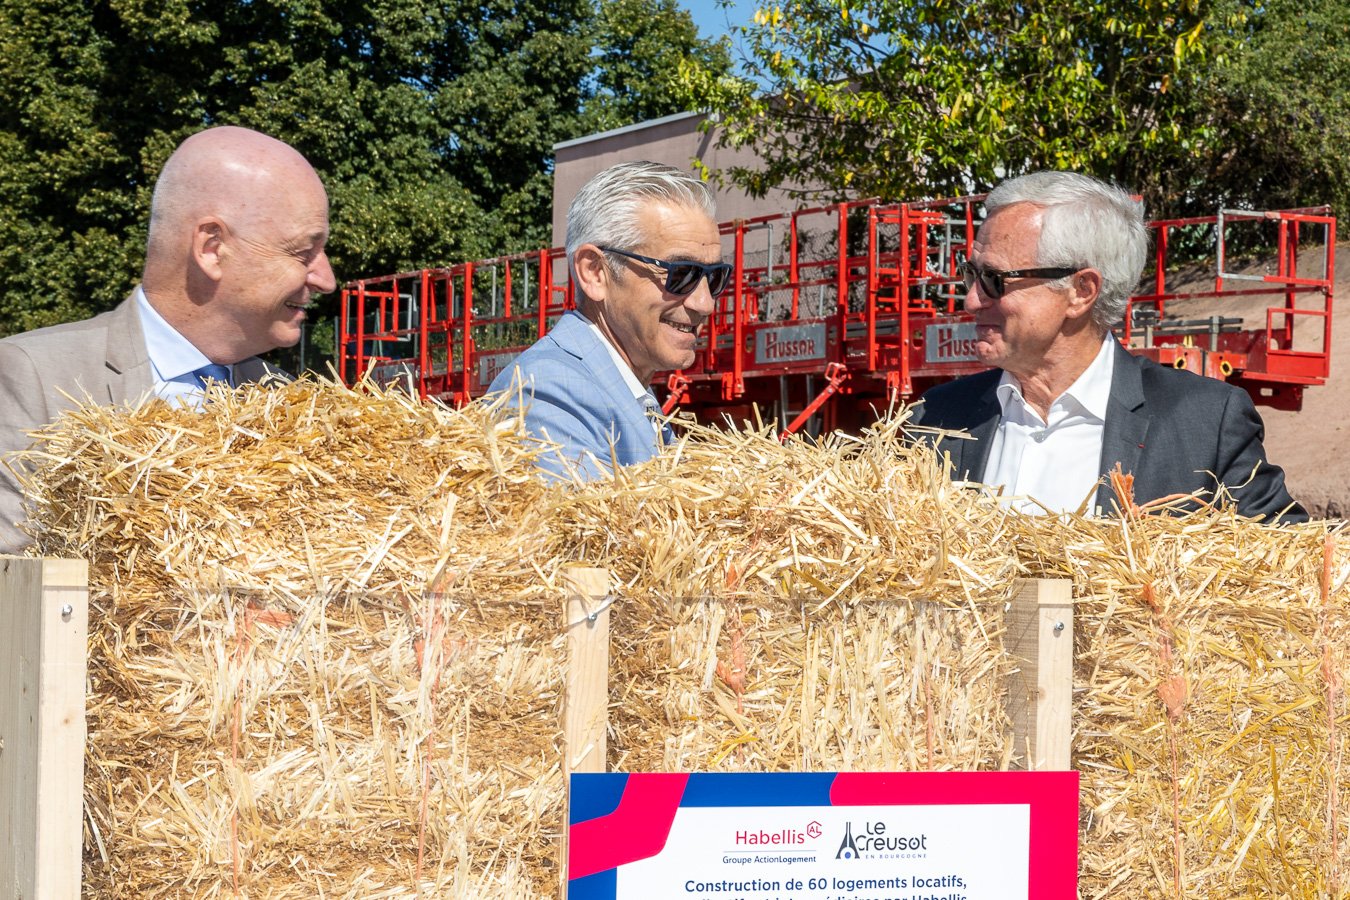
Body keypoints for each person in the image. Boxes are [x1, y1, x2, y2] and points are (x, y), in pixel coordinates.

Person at [0, 126, 337, 553]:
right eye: (302, 252)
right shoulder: (32, 379)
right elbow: (16, 594)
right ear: (212, 248)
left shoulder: (295, 405)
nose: (326, 279)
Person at [911, 171, 1306, 522]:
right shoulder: (935, 420)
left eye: (994, 279)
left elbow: (1295, 573)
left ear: (1081, 291)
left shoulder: (1206, 426)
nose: (971, 300)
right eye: (971, 275)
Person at [489, 160, 730, 478]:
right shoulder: (545, 393)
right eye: (680, 273)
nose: (705, 303)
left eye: (715, 277)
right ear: (595, 272)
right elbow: (578, 526)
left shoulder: (625, 390)